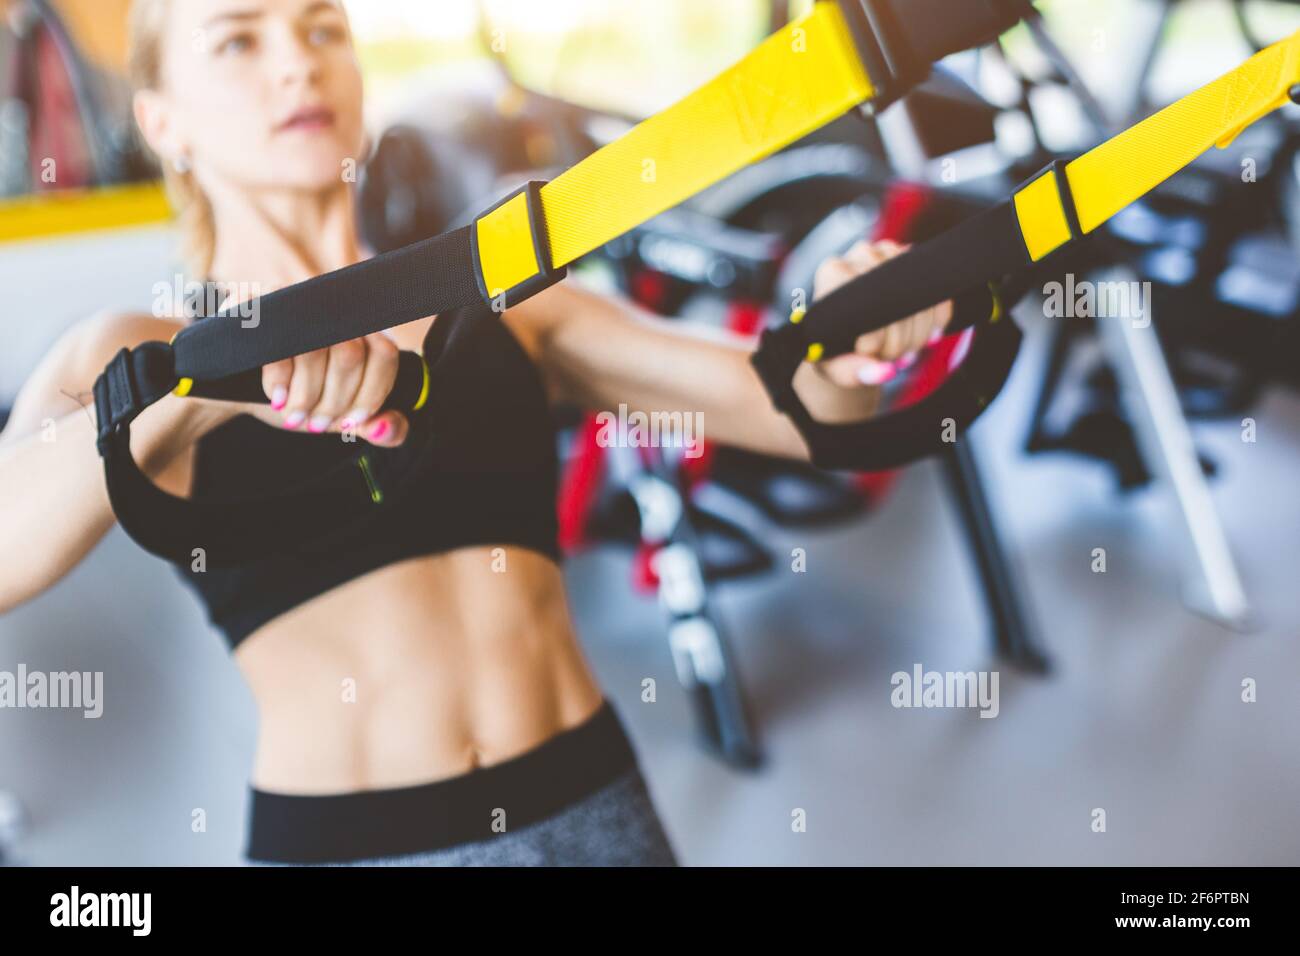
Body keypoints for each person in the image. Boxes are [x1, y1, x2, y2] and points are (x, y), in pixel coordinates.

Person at [0, 0, 951, 866]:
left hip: (594, 808)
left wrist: (850, 342)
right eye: (240, 39)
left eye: (323, 29)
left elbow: (803, 414)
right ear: (162, 119)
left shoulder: (497, 297)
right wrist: (210, 385)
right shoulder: (138, 351)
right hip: (356, 850)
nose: (298, 64)